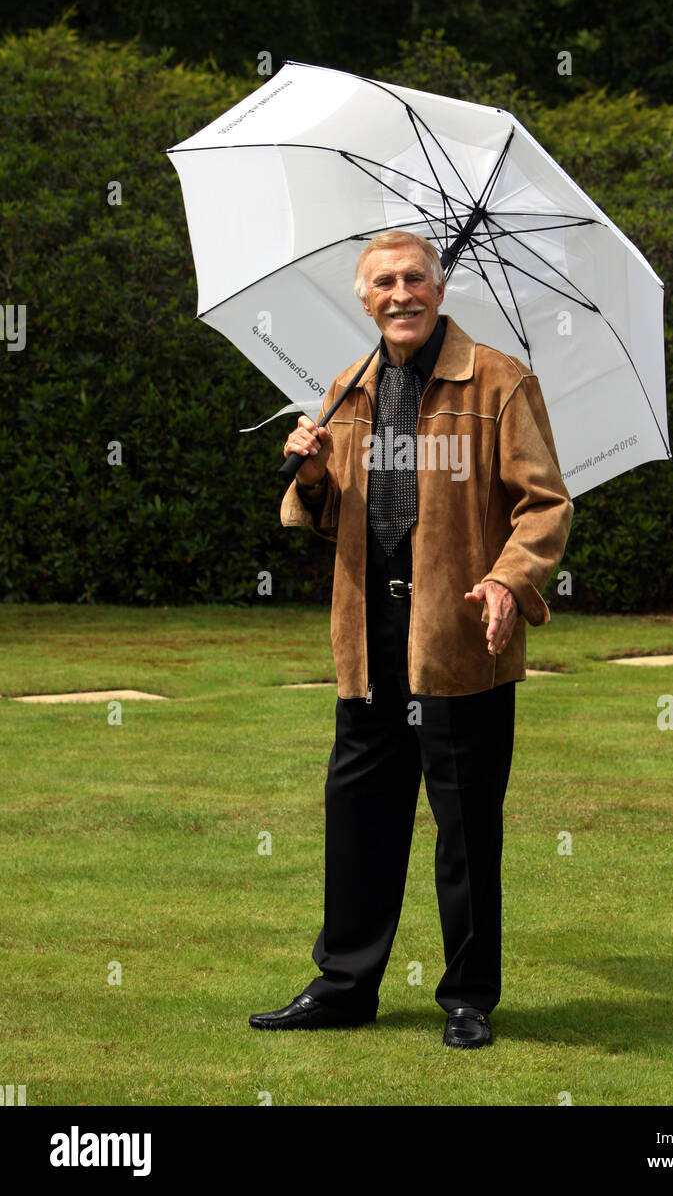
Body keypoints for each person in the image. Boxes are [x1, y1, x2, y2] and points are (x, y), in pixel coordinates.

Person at [249, 230, 574, 1048]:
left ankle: (468, 999)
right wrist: (312, 470)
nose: (401, 294)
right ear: (365, 299)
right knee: (358, 815)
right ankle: (345, 985)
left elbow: (544, 505)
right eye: (384, 282)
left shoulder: (499, 381)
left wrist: (508, 578)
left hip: (460, 633)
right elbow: (330, 518)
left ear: (439, 289)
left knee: (465, 828)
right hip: (367, 637)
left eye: (415, 279)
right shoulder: (344, 389)